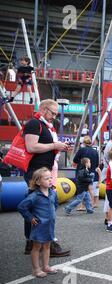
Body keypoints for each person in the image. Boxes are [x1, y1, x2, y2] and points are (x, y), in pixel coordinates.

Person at [23, 99, 71, 257]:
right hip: (36, 173)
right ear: (43, 109)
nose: (54, 116)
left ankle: (33, 243)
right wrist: (54, 146)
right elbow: (31, 146)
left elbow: (44, 147)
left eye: (56, 114)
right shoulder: (33, 124)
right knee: (43, 208)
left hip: (43, 172)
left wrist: (59, 146)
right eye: (53, 113)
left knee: (38, 207)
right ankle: (45, 244)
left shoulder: (46, 126)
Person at [17, 168, 58, 278]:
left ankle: (46, 266)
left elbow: (55, 204)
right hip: (39, 226)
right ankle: (36, 269)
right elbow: (22, 207)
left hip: (50, 225)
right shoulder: (34, 196)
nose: (50, 180)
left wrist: (52, 215)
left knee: (47, 246)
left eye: (51, 178)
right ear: (38, 182)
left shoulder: (53, 193)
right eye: (46, 178)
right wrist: (30, 217)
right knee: (37, 247)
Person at [72, 135, 100, 209]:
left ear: (84, 143)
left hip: (82, 172)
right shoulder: (95, 152)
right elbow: (97, 165)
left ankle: (83, 206)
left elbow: (74, 161)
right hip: (92, 173)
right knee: (90, 189)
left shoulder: (81, 150)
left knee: (82, 189)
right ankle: (92, 204)